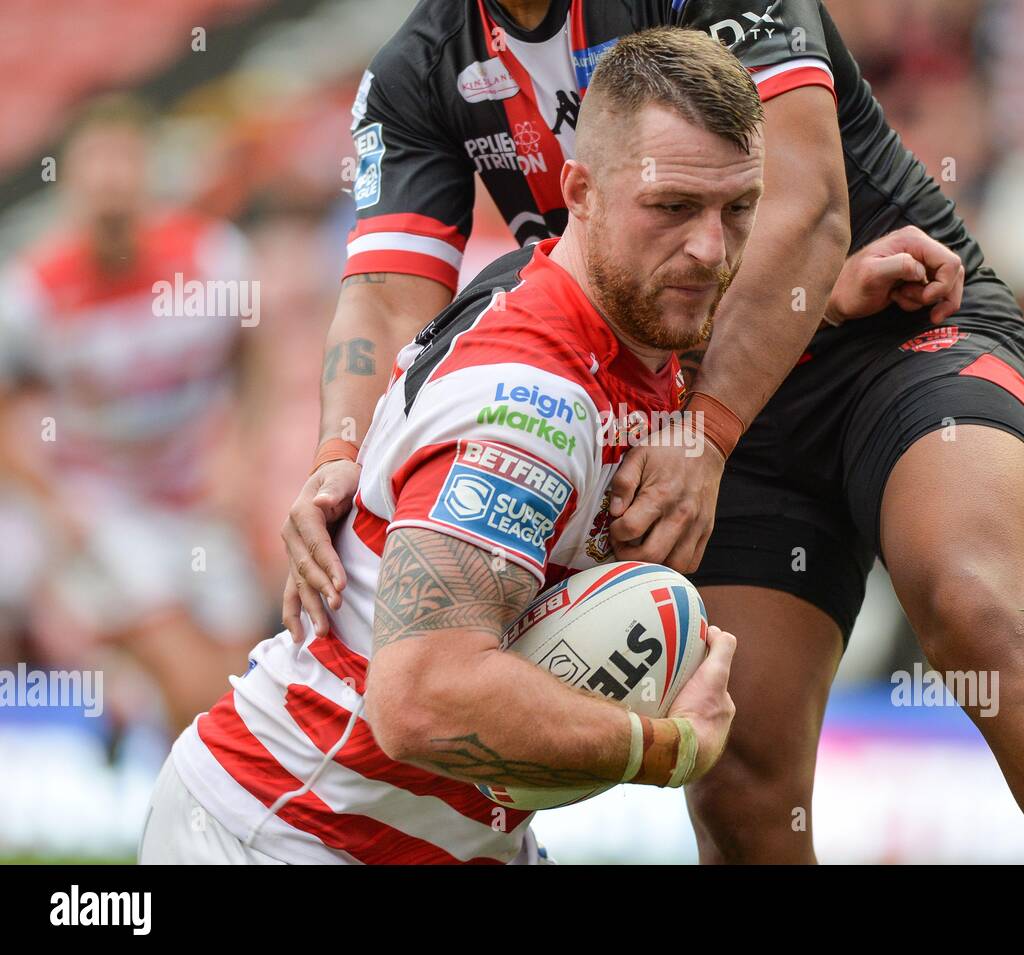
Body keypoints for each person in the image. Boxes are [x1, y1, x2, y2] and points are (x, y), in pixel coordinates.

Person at [284, 0, 1024, 864]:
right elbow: (386, 295)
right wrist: (336, 453)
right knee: (744, 775)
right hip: (692, 389)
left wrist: (706, 433)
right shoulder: (419, 65)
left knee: (974, 601)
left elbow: (805, 207)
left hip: (896, 328)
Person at [138, 28, 747, 865]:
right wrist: (663, 746)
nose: (712, 250)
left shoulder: (607, 310)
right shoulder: (529, 406)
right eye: (672, 207)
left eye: (738, 209)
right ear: (582, 190)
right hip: (292, 833)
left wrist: (836, 298)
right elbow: (423, 700)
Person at [0, 95, 260, 732]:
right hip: (106, 506)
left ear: (149, 168)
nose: (112, 177)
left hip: (197, 497)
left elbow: (255, 355)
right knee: (190, 676)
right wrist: (49, 500)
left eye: (125, 158)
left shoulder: (212, 257)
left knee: (236, 676)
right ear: (69, 178)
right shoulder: (32, 290)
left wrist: (241, 448)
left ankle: (136, 727)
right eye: (96, 162)